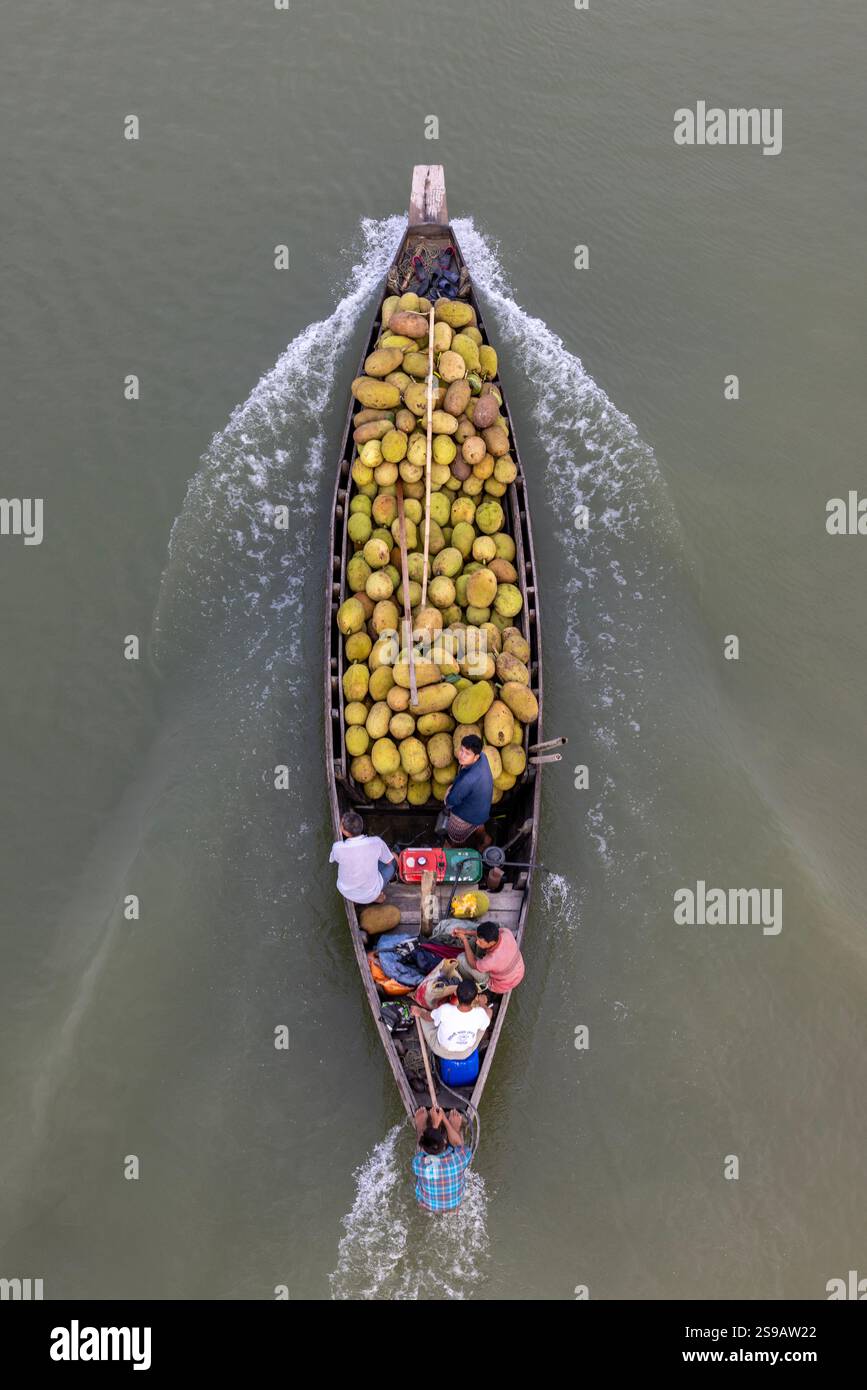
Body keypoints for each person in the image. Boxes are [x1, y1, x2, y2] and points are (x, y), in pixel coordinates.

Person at [411, 1105, 473, 1213]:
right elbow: (460, 1146)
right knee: (459, 1145)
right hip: (455, 1202)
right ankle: (455, 1128)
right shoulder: (457, 1161)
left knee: (422, 1147)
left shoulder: (418, 1163)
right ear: (445, 1142)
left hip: (429, 1204)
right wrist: (444, 1119)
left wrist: (433, 1125)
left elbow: (423, 1150)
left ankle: (421, 1127)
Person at [411, 979, 492, 1060]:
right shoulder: (480, 1013)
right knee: (485, 1021)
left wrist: (420, 1012)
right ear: (475, 998)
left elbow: (427, 1017)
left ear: (455, 993)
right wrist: (482, 1004)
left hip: (441, 1050)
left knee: (426, 1015)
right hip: (465, 1052)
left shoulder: (445, 1009)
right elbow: (489, 1012)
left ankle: (420, 1011)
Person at [328, 810, 396, 905]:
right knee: (393, 860)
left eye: (341, 825)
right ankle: (377, 896)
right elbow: (388, 862)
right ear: (362, 826)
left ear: (346, 833)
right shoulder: (376, 842)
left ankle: (363, 898)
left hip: (346, 891)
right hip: (370, 894)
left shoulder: (337, 847)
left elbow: (334, 859)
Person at [453, 920, 525, 1000]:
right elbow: (481, 936)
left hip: (500, 984)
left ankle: (472, 982)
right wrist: (466, 932)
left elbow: (472, 963)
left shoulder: (491, 960)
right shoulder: (505, 932)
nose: (477, 942)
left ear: (491, 943)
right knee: (476, 944)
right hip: (518, 971)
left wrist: (464, 939)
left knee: (461, 959)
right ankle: (479, 954)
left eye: (480, 942)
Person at [442, 734, 493, 849]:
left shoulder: (468, 780)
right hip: (482, 811)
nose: (462, 755)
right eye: (461, 750)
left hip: (466, 815)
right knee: (478, 825)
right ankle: (485, 840)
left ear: (475, 757)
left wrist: (447, 797)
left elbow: (452, 801)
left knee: (455, 836)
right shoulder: (483, 757)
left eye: (467, 754)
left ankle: (452, 848)